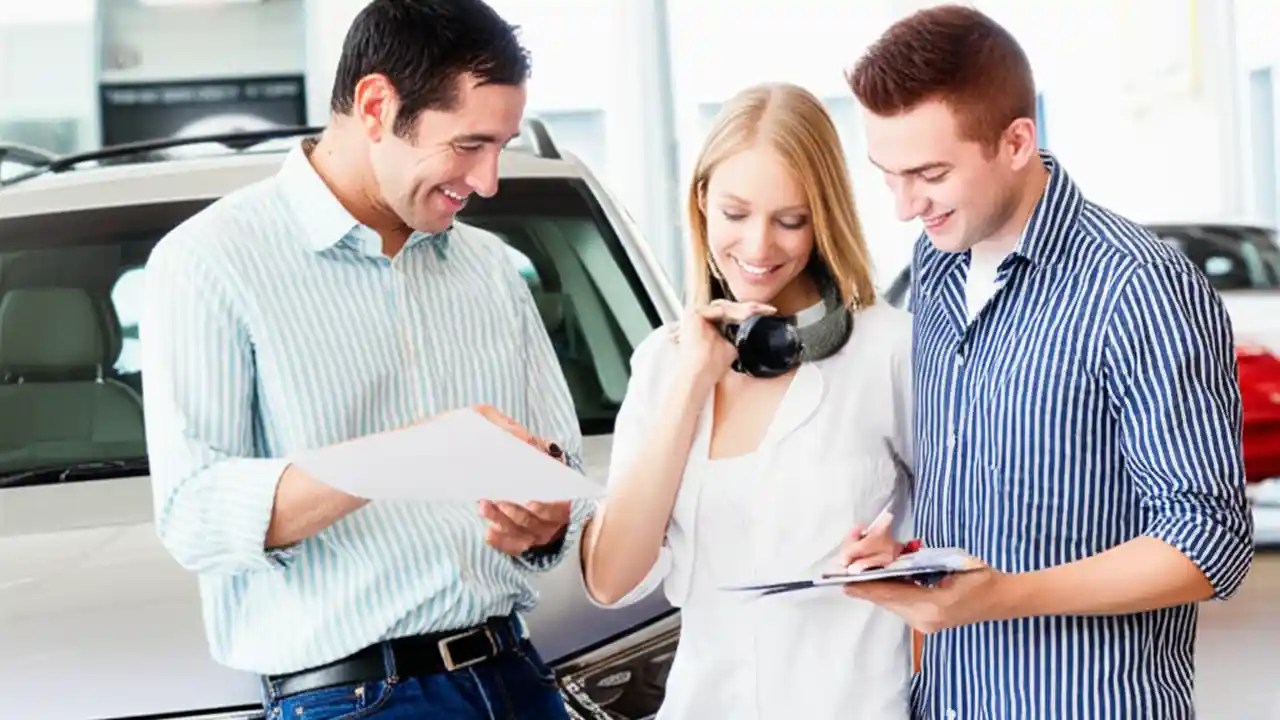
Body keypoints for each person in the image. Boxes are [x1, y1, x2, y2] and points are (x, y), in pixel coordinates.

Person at [139, 2, 590, 718]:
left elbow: (563, 473)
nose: (489, 180)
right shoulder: (210, 261)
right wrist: (410, 455)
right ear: (376, 105)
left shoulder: (489, 269)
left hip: (517, 676)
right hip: (355, 700)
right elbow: (195, 515)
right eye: (470, 144)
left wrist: (546, 519)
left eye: (500, 146)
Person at [840, 6, 1256, 719]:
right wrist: (902, 534)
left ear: (1016, 141)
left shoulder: (1139, 287)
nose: (907, 205)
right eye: (888, 175)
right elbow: (968, 468)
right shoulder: (937, 267)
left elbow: (1209, 540)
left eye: (930, 173)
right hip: (946, 701)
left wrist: (1003, 595)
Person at [578, 82, 916, 719]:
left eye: (791, 221)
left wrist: (908, 553)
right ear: (702, 200)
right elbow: (610, 580)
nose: (759, 248)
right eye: (735, 214)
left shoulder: (889, 349)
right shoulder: (661, 365)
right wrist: (689, 384)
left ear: (825, 219)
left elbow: (970, 541)